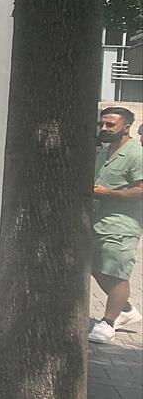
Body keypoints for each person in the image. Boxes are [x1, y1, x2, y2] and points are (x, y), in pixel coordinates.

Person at [89, 107, 143, 343]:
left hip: (122, 224)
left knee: (117, 272)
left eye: (111, 125)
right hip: (98, 220)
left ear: (126, 126)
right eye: (103, 124)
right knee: (95, 266)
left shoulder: (136, 154)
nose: (104, 128)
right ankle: (126, 310)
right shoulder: (105, 151)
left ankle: (108, 323)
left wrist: (110, 193)